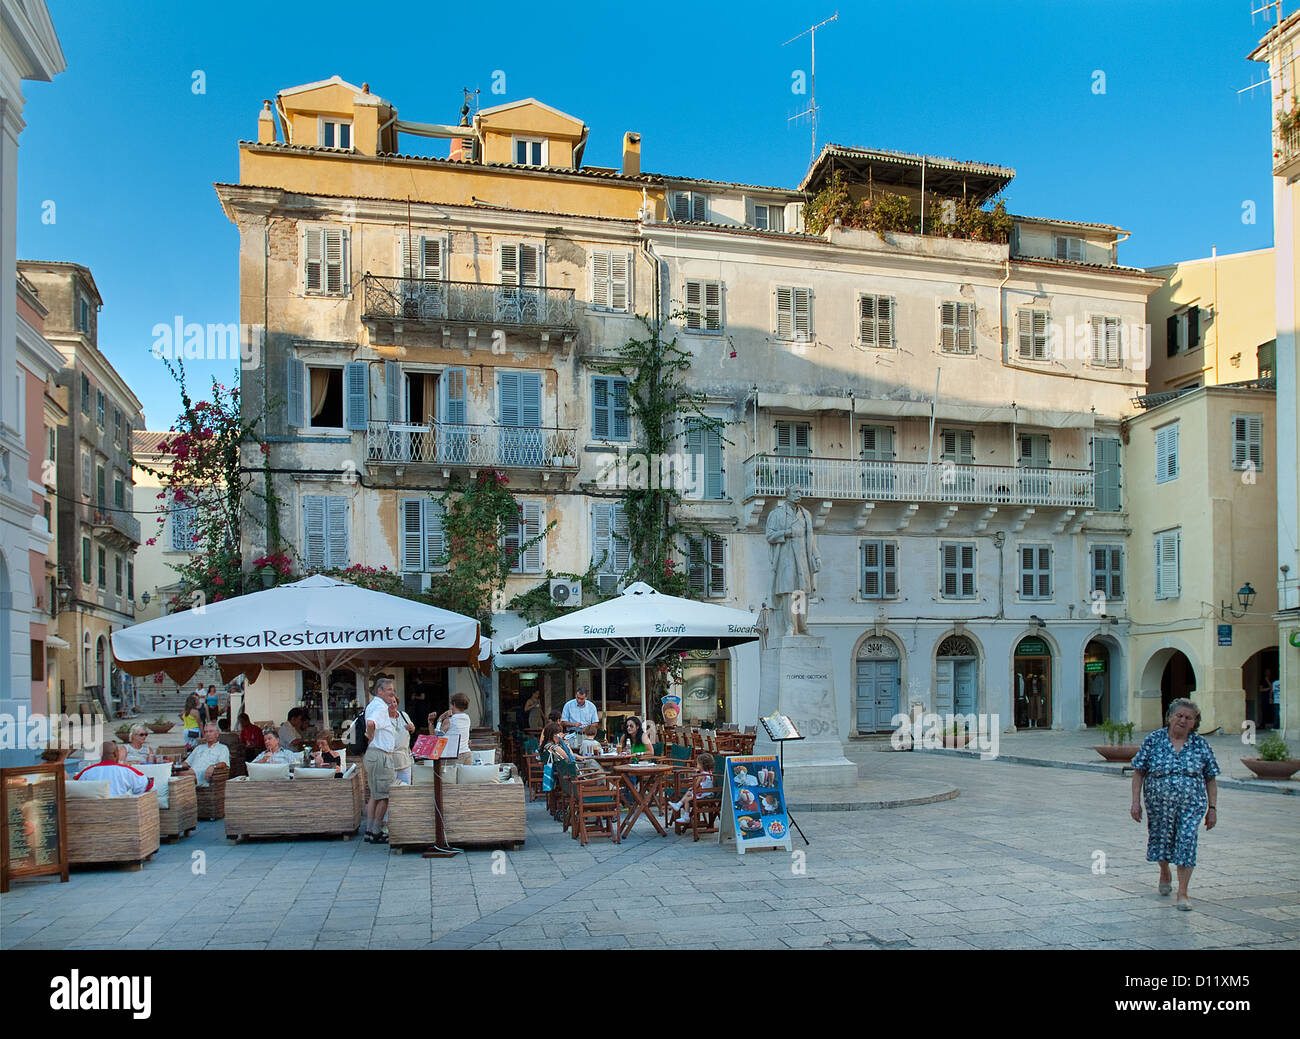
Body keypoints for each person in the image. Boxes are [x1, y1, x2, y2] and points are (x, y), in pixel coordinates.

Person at [1130, 697, 1220, 911]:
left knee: (1187, 841)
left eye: (1189, 718)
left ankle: (1183, 893)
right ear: (1170, 717)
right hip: (1158, 805)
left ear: (1194, 723)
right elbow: (1139, 771)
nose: (1183, 720)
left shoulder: (1200, 744)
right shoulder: (1154, 740)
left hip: (1192, 805)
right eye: (1179, 715)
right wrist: (1135, 802)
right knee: (1161, 841)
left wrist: (1213, 808)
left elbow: (1211, 778)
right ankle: (1164, 871)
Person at [765, 485, 821, 638]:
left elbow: (811, 539)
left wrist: (816, 556)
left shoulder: (806, 515)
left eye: (800, 492)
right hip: (786, 557)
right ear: (787, 494)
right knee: (789, 592)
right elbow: (769, 535)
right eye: (796, 492)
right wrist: (787, 533)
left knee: (801, 592)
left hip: (803, 557)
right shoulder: (776, 514)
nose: (799, 494)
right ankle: (791, 625)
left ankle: (802, 626)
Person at [363, 678, 398, 844]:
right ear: (379, 691)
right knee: (384, 795)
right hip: (381, 756)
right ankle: (376, 831)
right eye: (389, 690)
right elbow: (371, 723)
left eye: (393, 689)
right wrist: (369, 735)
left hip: (374, 755)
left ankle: (370, 830)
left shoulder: (373, 705)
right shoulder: (380, 706)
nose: (392, 693)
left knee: (375, 795)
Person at [74, 743, 154, 797]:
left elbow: (77, 789)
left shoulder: (86, 772)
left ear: (100, 754)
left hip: (94, 814)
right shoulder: (127, 771)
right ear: (116, 754)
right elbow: (147, 785)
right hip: (121, 812)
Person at [667, 751, 714, 824]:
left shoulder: (701, 775)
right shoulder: (709, 773)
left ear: (702, 765)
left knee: (687, 799)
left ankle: (686, 817)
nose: (697, 766)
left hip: (703, 794)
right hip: (707, 792)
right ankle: (678, 805)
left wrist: (692, 787)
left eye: (698, 764)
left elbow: (696, 785)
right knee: (689, 792)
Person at [185, 723, 231, 787]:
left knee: (180, 775)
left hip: (204, 775)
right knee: (174, 772)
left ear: (217, 734)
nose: (208, 734)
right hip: (191, 772)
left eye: (211, 731)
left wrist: (213, 766)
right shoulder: (199, 747)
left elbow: (224, 763)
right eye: (206, 732)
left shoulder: (222, 748)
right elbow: (187, 762)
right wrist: (174, 766)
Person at [561, 687, 599, 753]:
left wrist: (588, 728)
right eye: (577, 698)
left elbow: (595, 723)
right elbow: (563, 722)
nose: (579, 700)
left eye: (581, 699)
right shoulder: (568, 705)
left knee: (587, 754)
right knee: (572, 753)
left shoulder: (591, 706)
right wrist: (574, 724)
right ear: (576, 695)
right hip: (572, 735)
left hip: (586, 735)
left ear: (586, 698)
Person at [440, 692, 472, 766]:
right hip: (466, 753)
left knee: (449, 777)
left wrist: (440, 718)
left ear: (453, 704)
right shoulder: (467, 718)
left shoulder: (449, 720)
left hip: (452, 755)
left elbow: (437, 735)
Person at [388, 699, 416, 785]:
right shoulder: (383, 719)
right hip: (389, 761)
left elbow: (413, 729)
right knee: (391, 790)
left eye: (394, 702)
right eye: (389, 703)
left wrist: (412, 728)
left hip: (405, 760)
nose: (393, 705)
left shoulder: (403, 715)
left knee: (406, 788)